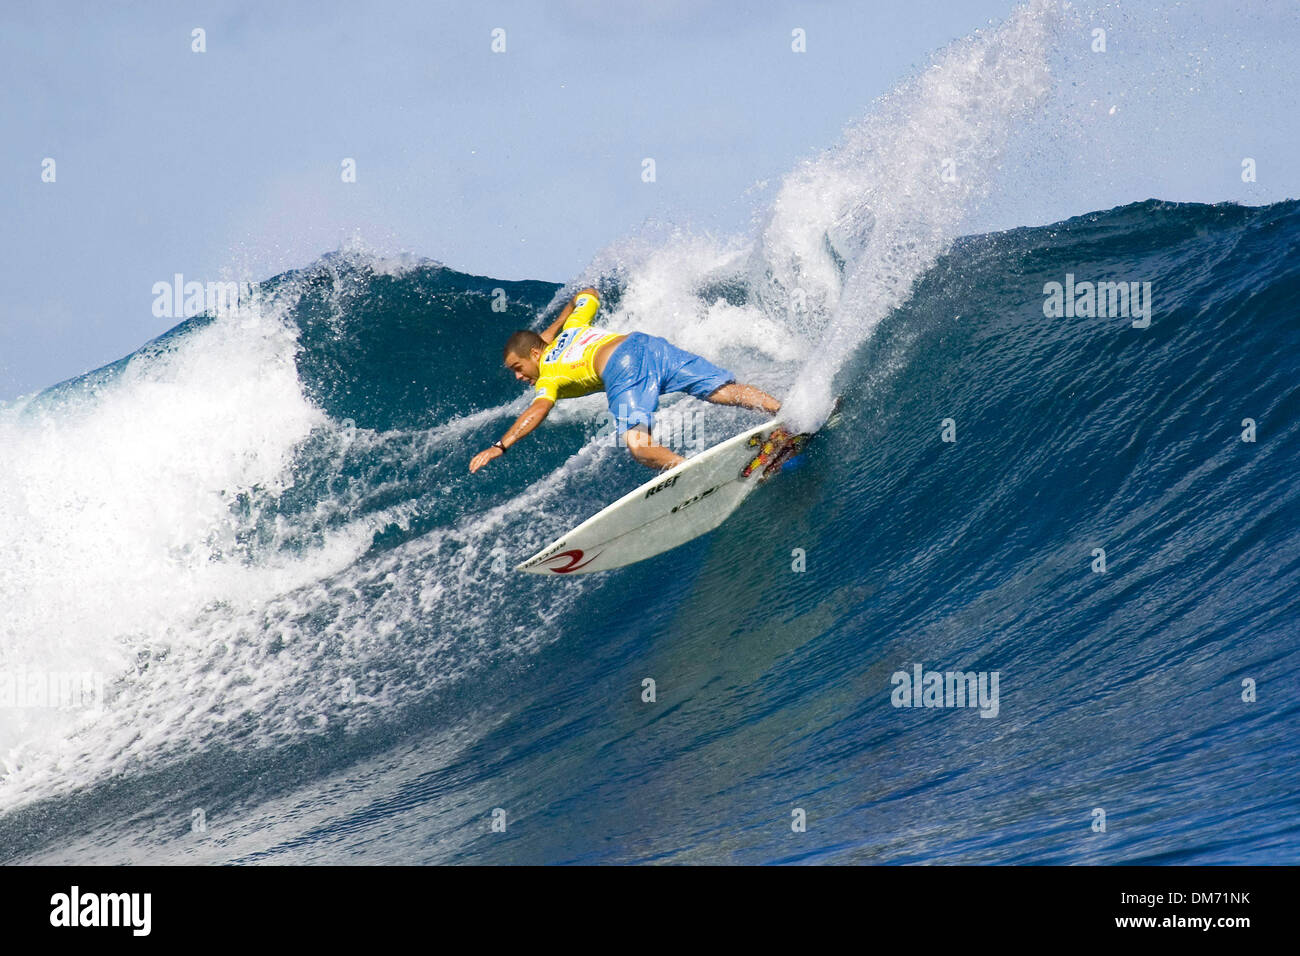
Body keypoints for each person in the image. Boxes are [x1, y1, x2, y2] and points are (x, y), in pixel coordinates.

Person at [469, 288, 781, 472]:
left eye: (517, 366)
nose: (518, 376)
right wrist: (550, 333)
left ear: (534, 355)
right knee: (721, 391)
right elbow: (587, 294)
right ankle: (785, 412)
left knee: (640, 448)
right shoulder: (574, 326)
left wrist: (501, 445)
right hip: (647, 345)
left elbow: (536, 411)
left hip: (623, 367)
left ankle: (695, 474)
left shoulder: (547, 375)